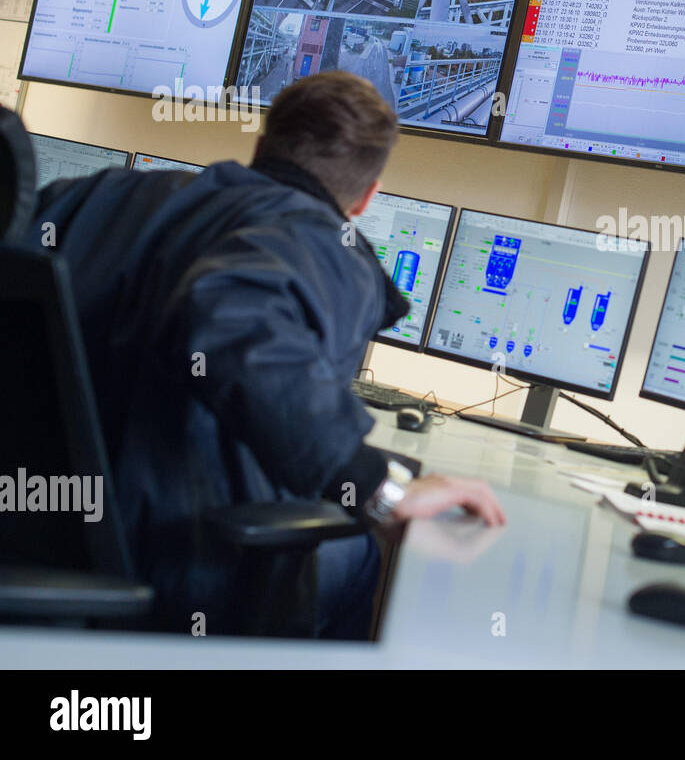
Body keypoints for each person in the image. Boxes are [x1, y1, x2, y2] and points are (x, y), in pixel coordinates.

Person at [25, 71, 505, 638]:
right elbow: (232, 316)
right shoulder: (325, 245)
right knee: (359, 559)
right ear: (366, 197)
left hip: (31, 532)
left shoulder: (103, 194)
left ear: (262, 145)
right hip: (173, 563)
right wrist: (380, 488)